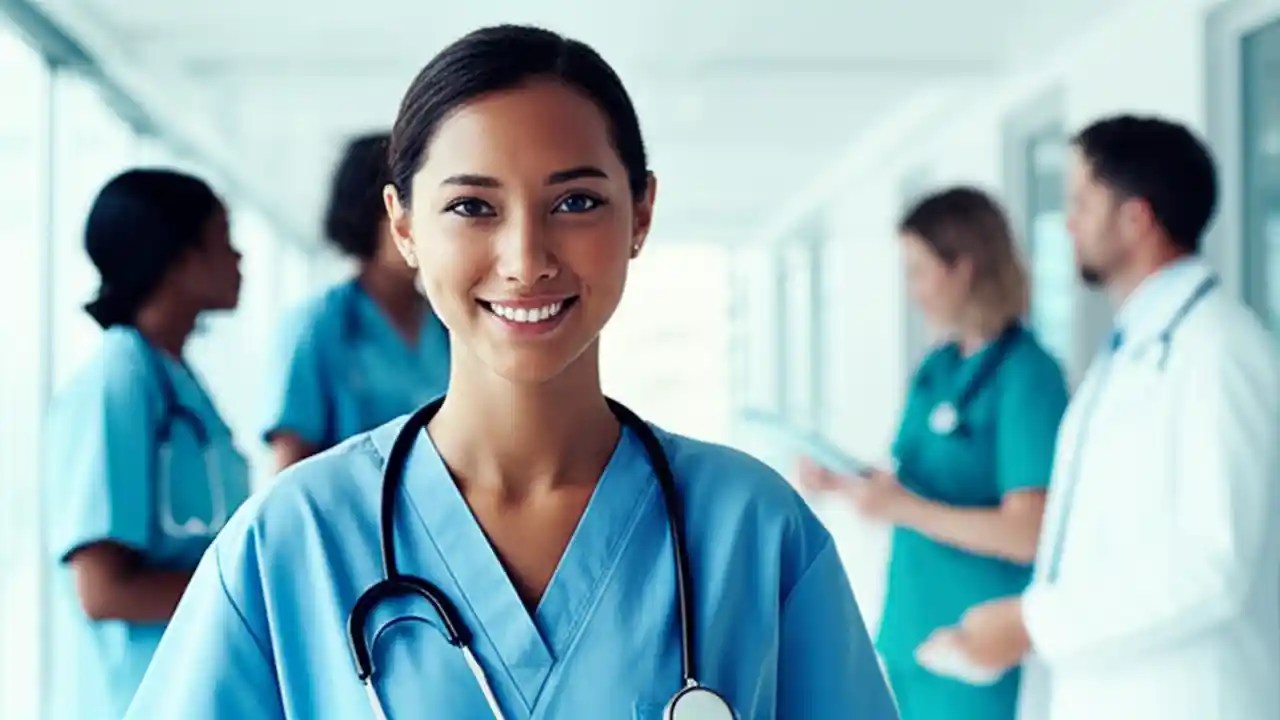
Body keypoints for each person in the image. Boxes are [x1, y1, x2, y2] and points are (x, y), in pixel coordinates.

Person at [124, 25, 899, 720]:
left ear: (641, 214)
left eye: (576, 201)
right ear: (404, 226)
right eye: (472, 207)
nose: (527, 260)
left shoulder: (754, 530)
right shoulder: (291, 542)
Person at [938, 115, 1280, 720]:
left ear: (1136, 218)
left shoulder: (1220, 351)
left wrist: (1032, 624)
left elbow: (1213, 564)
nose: (1067, 223)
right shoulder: (1130, 352)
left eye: (1081, 203)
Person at [797, 187, 1068, 719]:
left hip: (976, 648)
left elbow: (1027, 533)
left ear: (962, 268)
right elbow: (916, 482)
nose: (913, 290)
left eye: (919, 271)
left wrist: (903, 508)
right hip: (913, 633)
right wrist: (847, 484)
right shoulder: (939, 366)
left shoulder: (1027, 376)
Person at [42, 168, 252, 719]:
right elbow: (103, 591)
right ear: (178, 260)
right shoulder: (116, 381)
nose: (239, 258)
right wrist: (253, 593)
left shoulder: (174, 380)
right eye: (223, 241)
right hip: (128, 700)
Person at [265, 133, 451, 470]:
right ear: (372, 214)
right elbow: (290, 462)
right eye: (405, 212)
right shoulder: (319, 325)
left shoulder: (447, 323)